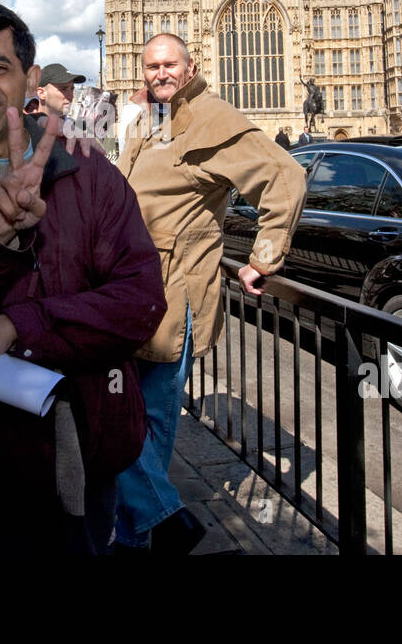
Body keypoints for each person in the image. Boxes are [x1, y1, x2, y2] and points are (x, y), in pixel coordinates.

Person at [0, 3, 165, 554]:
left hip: (83, 458)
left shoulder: (89, 172)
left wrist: (20, 325)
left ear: (30, 79)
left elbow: (139, 302)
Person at [114, 33, 305, 553]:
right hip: (131, 292)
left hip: (173, 294)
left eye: (169, 64)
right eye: (151, 65)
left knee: (140, 418)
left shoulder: (211, 118)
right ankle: (149, 527)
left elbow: (285, 176)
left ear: (190, 65)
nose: (159, 73)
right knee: (122, 414)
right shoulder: (158, 120)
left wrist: (264, 258)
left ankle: (146, 532)